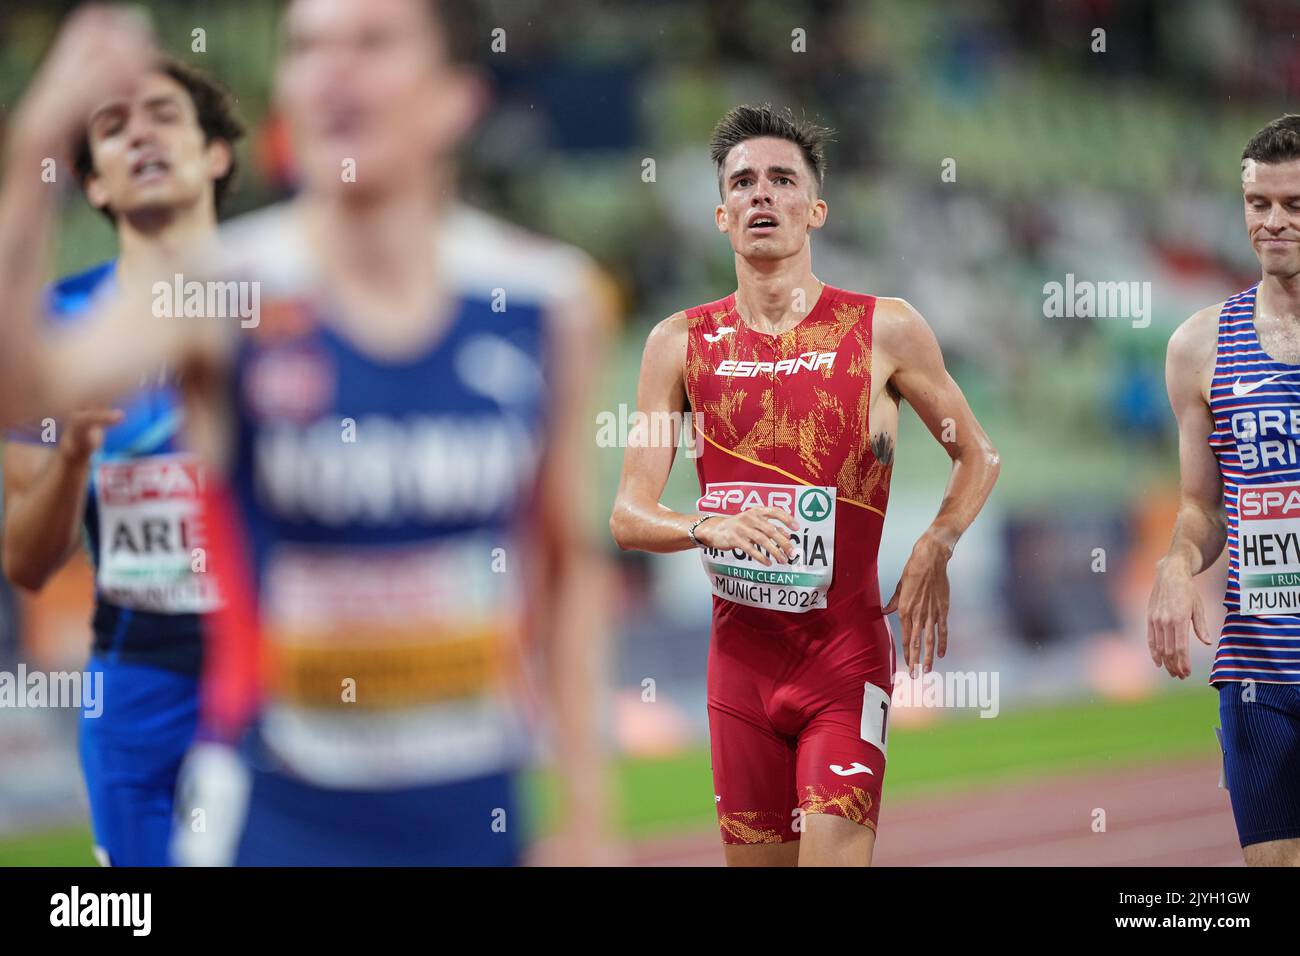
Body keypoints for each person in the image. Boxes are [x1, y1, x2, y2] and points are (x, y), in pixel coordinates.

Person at [0, 0, 612, 866]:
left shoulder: (547, 300)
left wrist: (591, 818)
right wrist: (32, 153)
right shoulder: (221, 292)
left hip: (473, 809)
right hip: (276, 815)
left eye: (371, 43)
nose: (332, 71)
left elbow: (565, 570)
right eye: (307, 47)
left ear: (454, 99)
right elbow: (24, 389)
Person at [610, 104, 1000, 866]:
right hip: (739, 674)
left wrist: (936, 543)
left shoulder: (885, 329)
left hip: (845, 663)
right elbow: (627, 514)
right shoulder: (677, 345)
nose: (762, 195)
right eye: (743, 183)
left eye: (782, 180)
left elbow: (978, 454)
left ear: (815, 209)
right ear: (721, 214)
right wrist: (702, 526)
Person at [1, 55, 243, 867]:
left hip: (278, 676)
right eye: (110, 126)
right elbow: (27, 563)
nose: (139, 132)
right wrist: (71, 454)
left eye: (164, 115)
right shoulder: (49, 334)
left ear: (216, 155)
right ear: (95, 186)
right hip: (139, 684)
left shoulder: (289, 301)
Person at [1148, 113, 1300, 867]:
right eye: (1259, 204)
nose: (1273, 222)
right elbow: (1201, 507)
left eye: (1294, 205)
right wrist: (1175, 567)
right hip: (1259, 669)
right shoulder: (1198, 345)